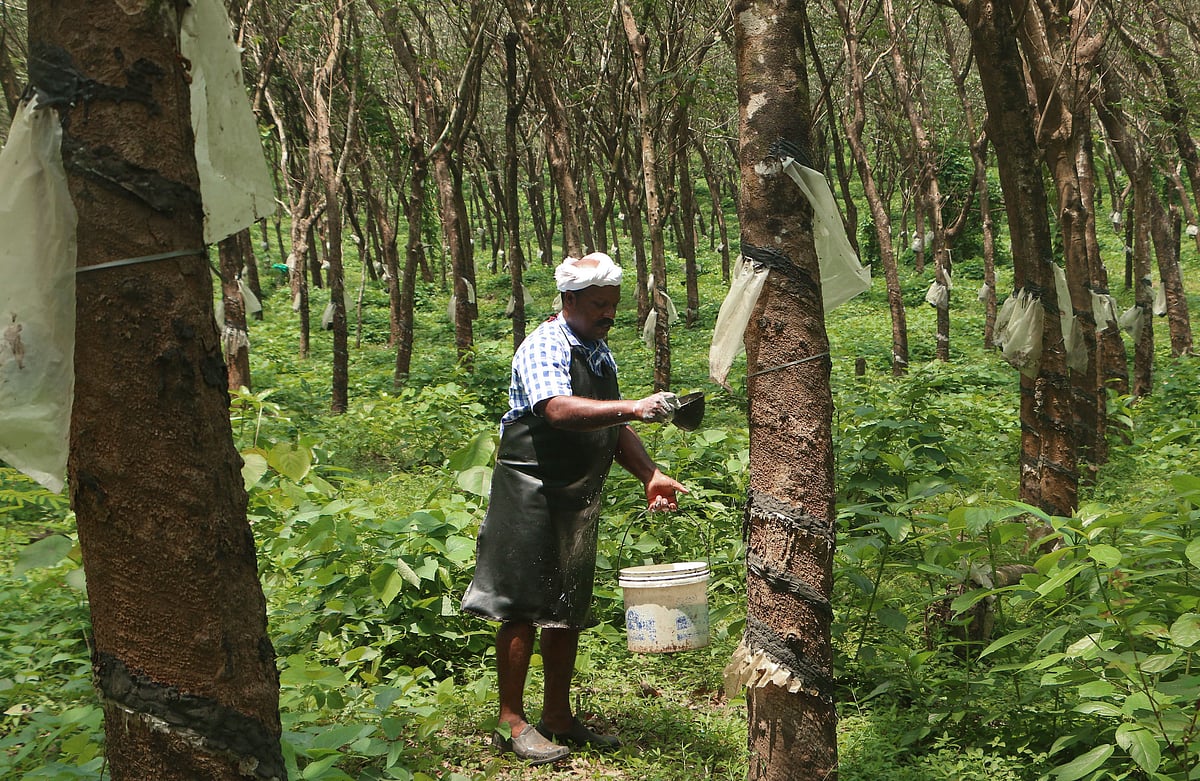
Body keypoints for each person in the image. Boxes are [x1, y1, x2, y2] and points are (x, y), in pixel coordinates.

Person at [461, 252, 687, 765]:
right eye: (597, 305)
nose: (607, 313)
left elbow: (610, 424)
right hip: (530, 491)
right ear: (568, 301)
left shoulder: (596, 350)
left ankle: (558, 716)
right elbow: (557, 410)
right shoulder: (545, 344)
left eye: (612, 304)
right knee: (518, 607)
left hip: (577, 494)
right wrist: (634, 404)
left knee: (566, 605)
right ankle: (511, 719)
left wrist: (650, 473)